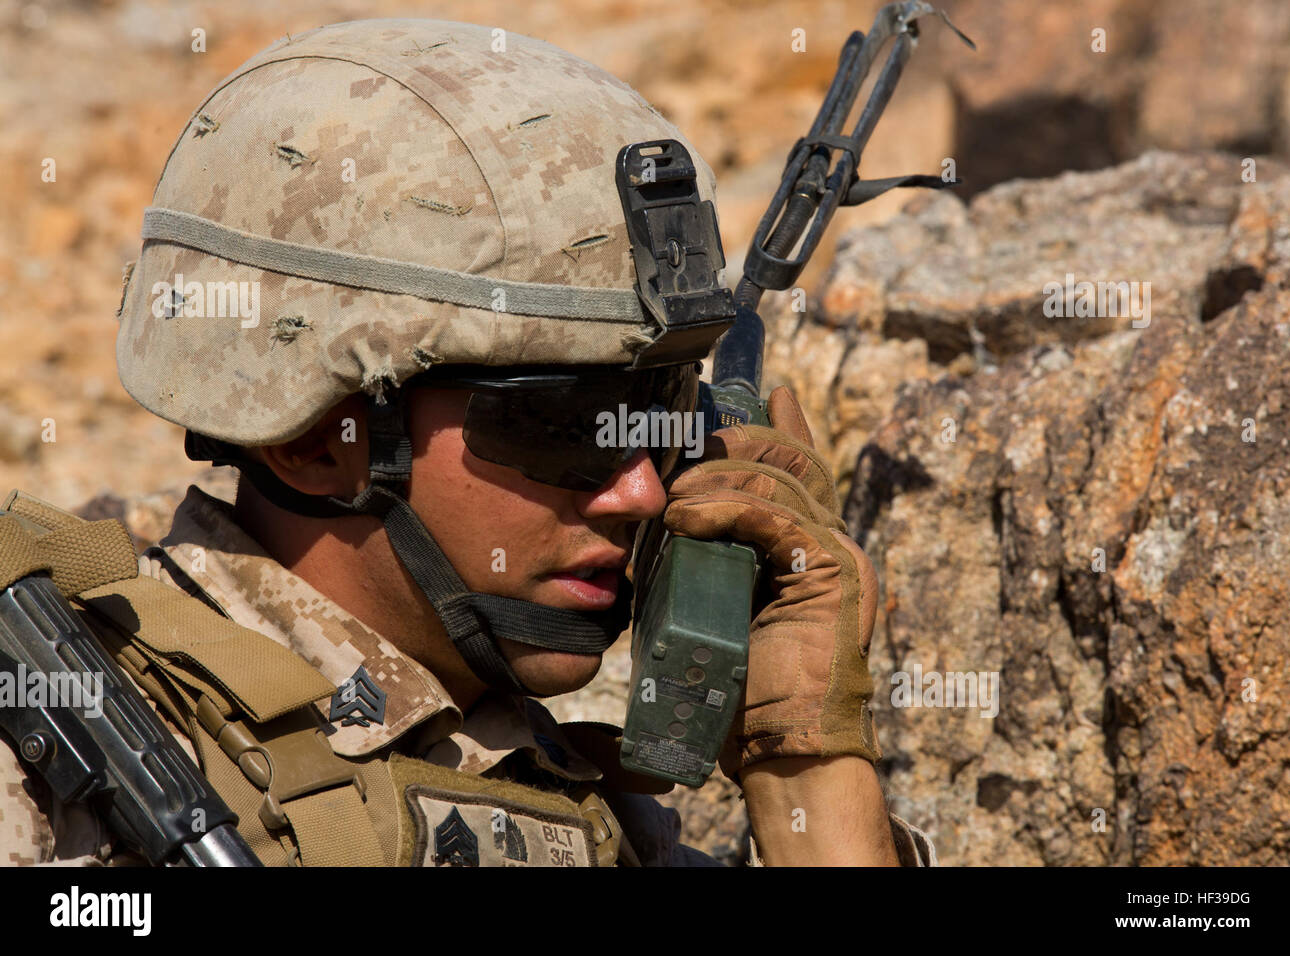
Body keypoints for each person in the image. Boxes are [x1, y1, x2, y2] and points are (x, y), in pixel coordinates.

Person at [0, 17, 935, 867]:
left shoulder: (578, 803)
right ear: (319, 440)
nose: (642, 492)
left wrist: (806, 761)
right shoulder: (59, 754)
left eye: (663, 418)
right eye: (566, 427)